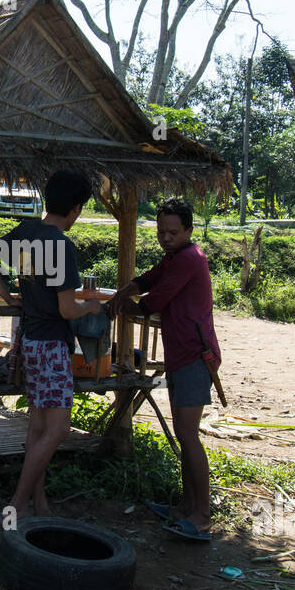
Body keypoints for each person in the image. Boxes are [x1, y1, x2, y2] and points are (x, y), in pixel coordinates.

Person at [0, 170, 102, 520]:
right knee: (59, 428)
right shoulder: (62, 245)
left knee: (38, 428)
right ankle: (16, 505)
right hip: (52, 346)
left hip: (29, 341)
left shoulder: (26, 232)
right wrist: (90, 306)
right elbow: (67, 309)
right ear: (76, 209)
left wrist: (8, 297)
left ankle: (40, 502)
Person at [107, 197, 220, 541]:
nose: (165, 237)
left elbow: (157, 299)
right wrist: (128, 288)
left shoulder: (188, 259)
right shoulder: (175, 257)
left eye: (172, 232)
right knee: (185, 435)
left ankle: (202, 515)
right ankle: (186, 505)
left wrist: (125, 304)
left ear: (188, 230)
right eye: (160, 232)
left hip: (194, 356)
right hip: (182, 355)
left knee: (188, 435)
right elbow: (151, 278)